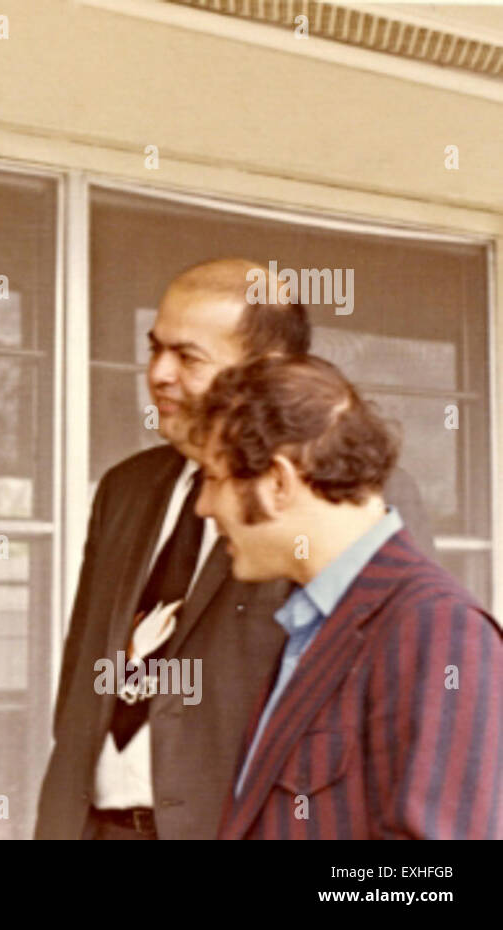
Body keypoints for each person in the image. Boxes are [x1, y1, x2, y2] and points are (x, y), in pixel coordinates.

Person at [35, 258, 432, 840]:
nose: (159, 374)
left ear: (264, 371)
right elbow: (86, 676)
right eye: (155, 349)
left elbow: (389, 724)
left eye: (188, 356)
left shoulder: (345, 498)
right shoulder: (125, 487)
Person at [194, 355, 503, 839]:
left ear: (277, 483)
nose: (203, 506)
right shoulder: (311, 626)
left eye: (213, 479)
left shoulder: (438, 628)